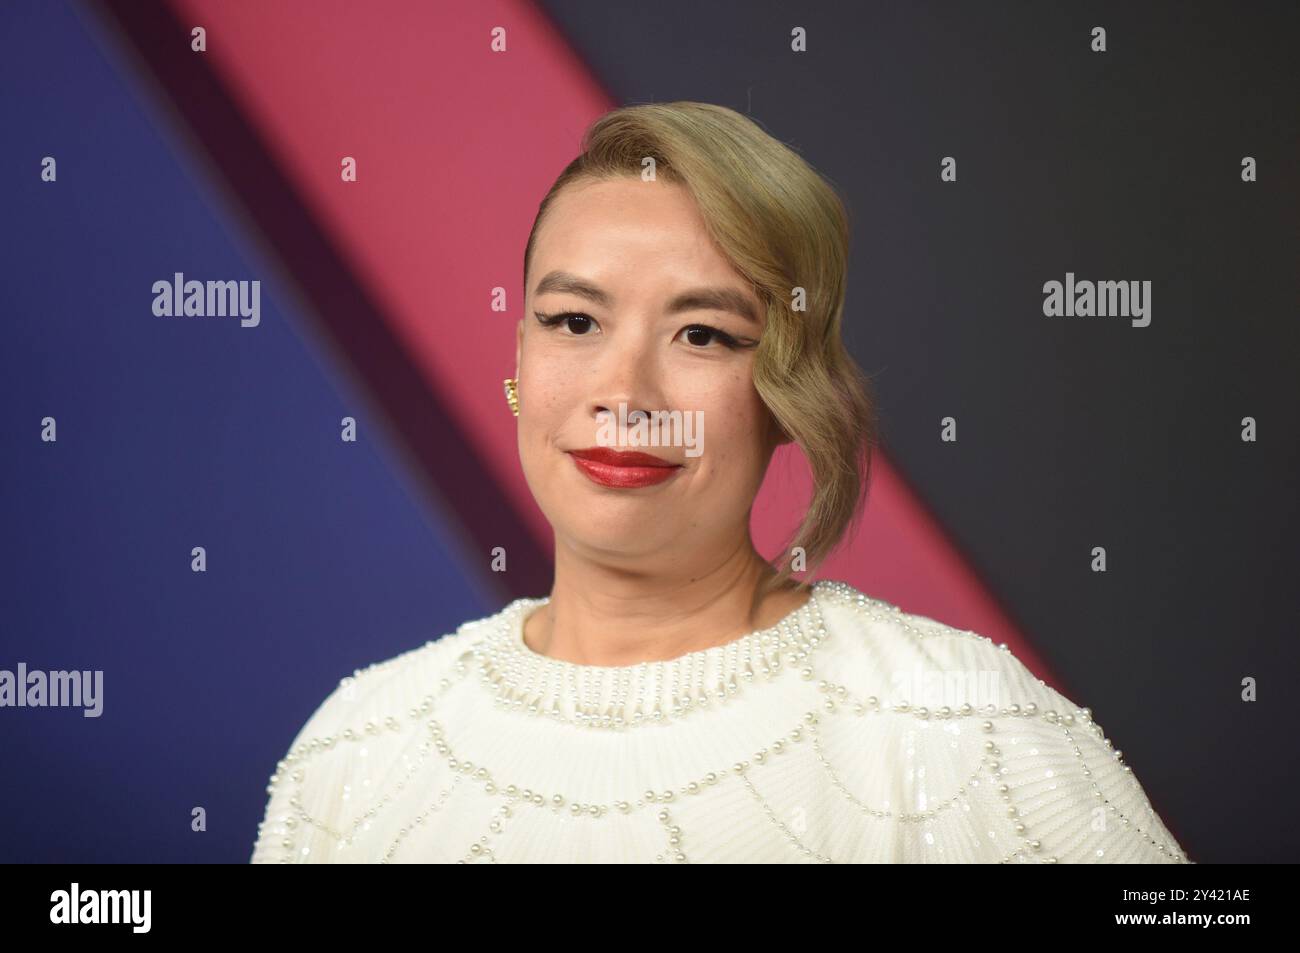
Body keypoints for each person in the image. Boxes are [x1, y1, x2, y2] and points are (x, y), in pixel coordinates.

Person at [251, 102, 1189, 864]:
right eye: (575, 321)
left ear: (787, 394)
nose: (625, 393)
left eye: (703, 334)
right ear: (520, 364)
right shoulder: (358, 746)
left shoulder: (958, 721)